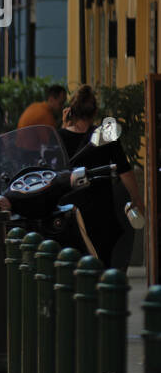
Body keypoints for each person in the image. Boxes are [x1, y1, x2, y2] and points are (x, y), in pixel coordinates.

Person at [57, 85, 143, 269]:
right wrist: (136, 199)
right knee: (102, 261)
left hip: (71, 209)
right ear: (95, 111)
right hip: (101, 209)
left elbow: (59, 169)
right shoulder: (105, 135)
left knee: (73, 263)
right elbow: (124, 170)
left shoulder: (60, 136)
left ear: (71, 111)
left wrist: (64, 125)